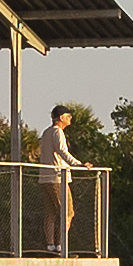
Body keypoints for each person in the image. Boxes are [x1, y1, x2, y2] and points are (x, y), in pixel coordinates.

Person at [38, 105, 83, 252]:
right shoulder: (57, 132)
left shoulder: (46, 132)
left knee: (50, 213)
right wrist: (78, 164)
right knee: (67, 213)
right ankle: (60, 245)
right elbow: (62, 151)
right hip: (57, 178)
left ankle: (50, 245)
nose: (70, 118)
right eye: (68, 116)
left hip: (45, 178)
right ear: (61, 117)